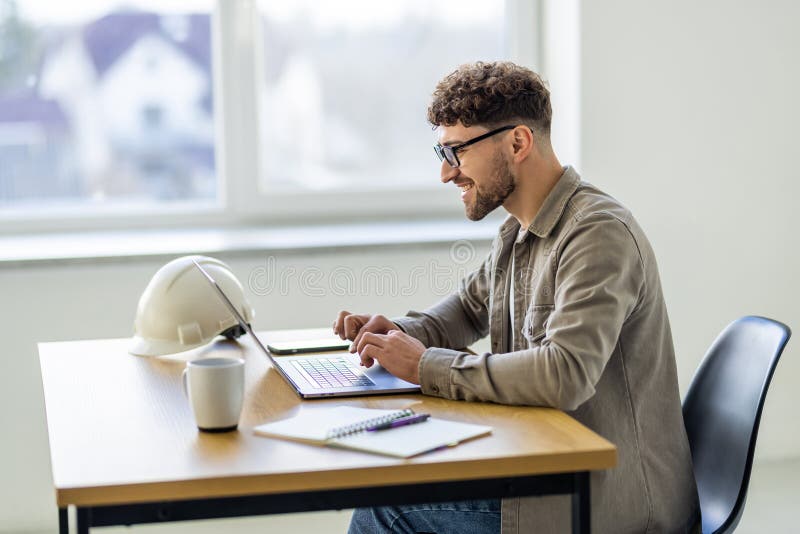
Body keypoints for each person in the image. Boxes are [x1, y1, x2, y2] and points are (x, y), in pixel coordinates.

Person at [335, 61, 700, 533]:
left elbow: (566, 373)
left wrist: (425, 366)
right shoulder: (517, 232)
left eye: (457, 152)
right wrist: (396, 335)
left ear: (518, 142)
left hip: (609, 502)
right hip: (546, 471)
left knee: (389, 505)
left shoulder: (597, 234)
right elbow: (468, 308)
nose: (446, 174)